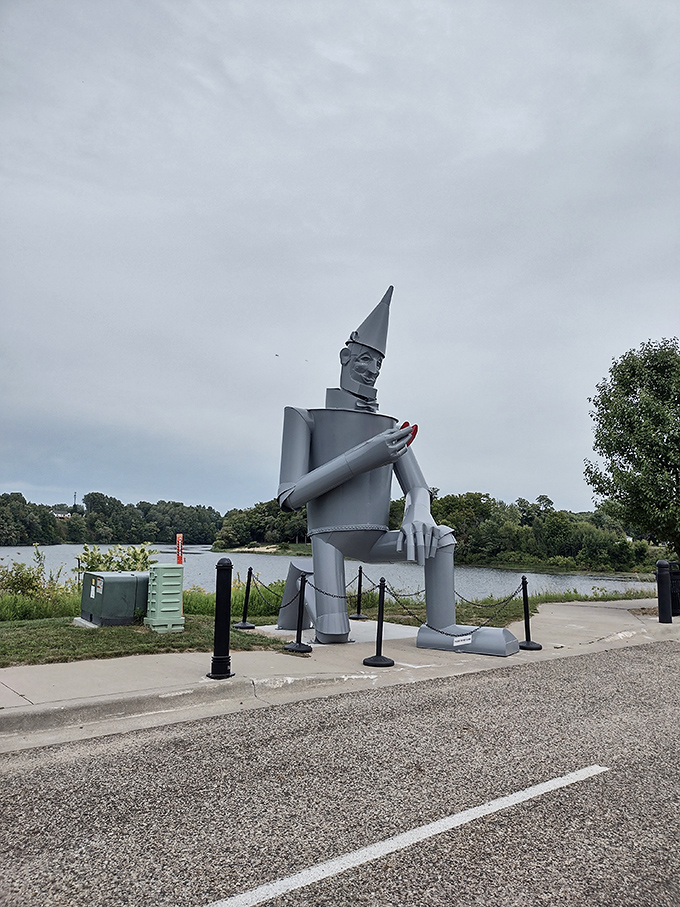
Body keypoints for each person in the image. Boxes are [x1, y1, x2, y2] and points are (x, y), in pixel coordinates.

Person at [277, 286, 456, 644]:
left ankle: (442, 629)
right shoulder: (304, 418)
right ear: (345, 356)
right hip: (328, 539)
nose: (372, 370)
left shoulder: (389, 428)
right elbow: (289, 497)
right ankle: (306, 580)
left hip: (375, 537)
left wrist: (418, 512)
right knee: (333, 634)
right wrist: (362, 457)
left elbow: (417, 486)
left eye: (378, 362)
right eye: (364, 359)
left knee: (442, 538)